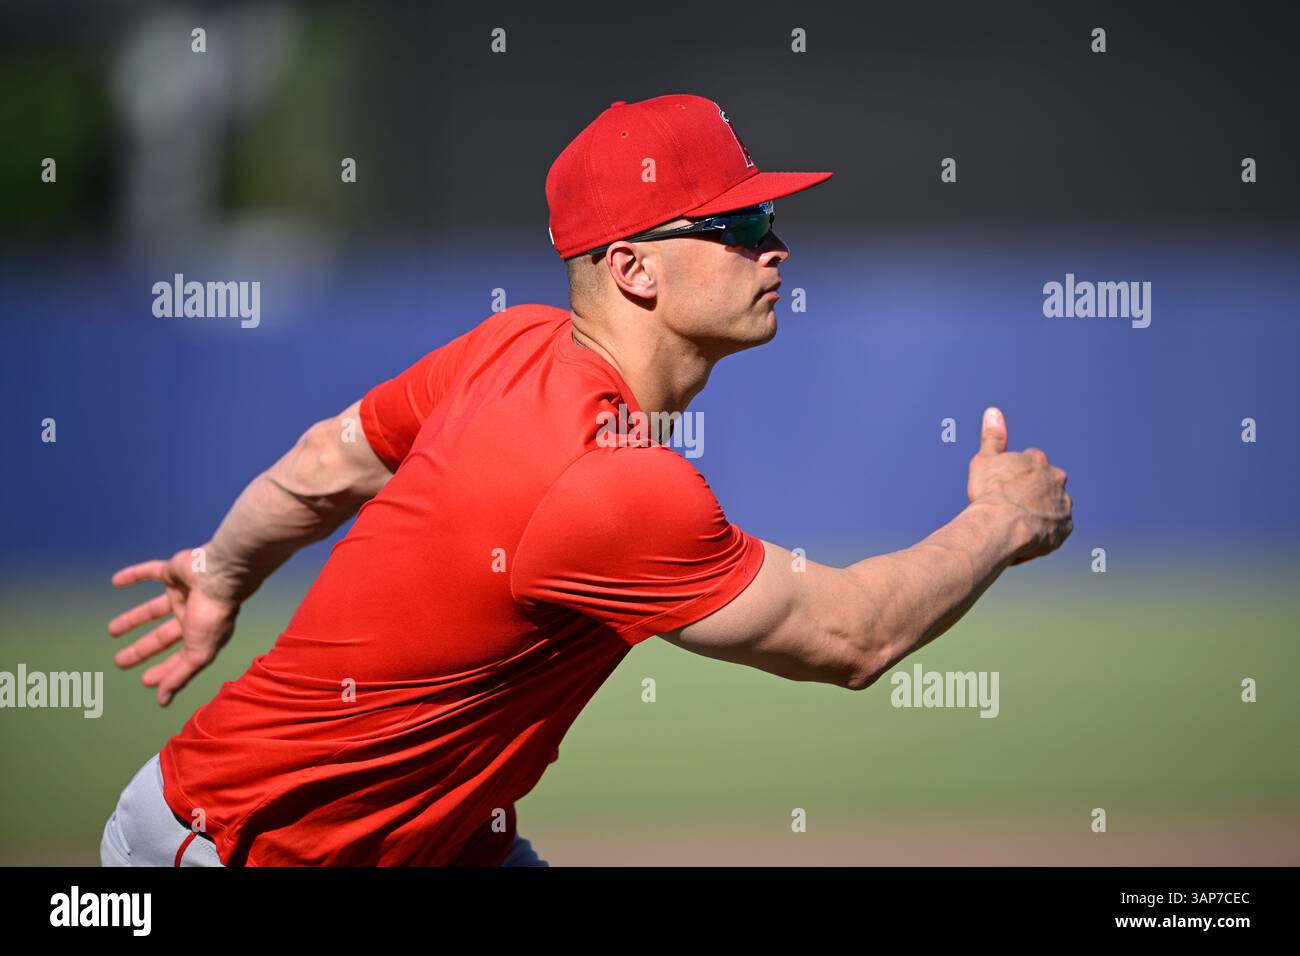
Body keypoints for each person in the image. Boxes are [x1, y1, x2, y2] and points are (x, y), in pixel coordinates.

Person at [101, 93, 1072, 867]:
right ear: (632, 267)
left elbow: (322, 462)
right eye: (735, 222)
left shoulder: (511, 342)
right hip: (243, 846)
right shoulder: (609, 481)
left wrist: (222, 571)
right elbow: (855, 636)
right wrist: (998, 518)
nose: (774, 244)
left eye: (768, 214)